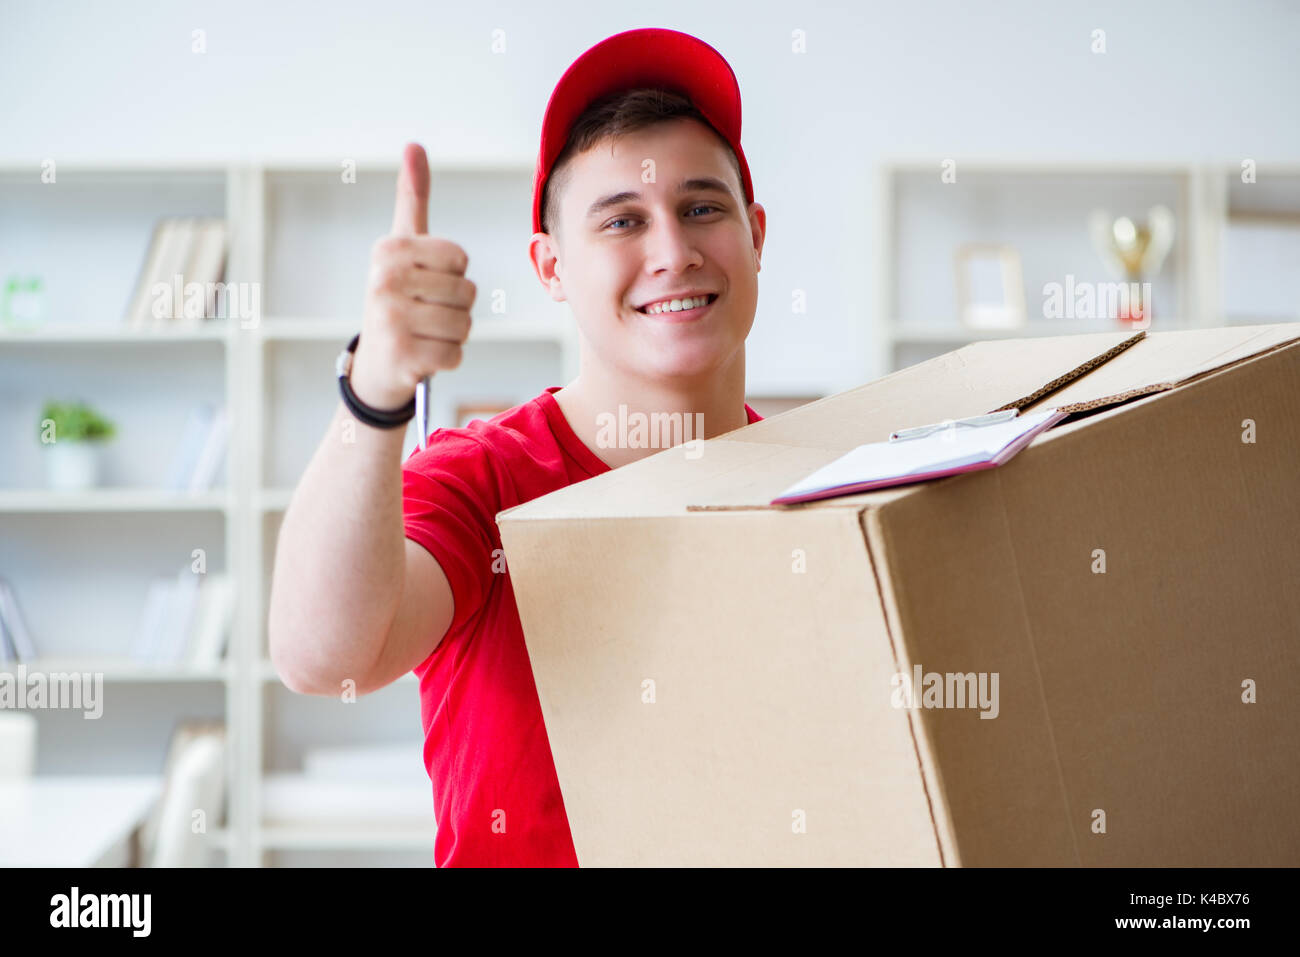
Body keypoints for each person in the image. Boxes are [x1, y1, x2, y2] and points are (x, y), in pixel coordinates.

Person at [268, 27, 767, 867]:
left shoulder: (830, 490)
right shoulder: (481, 481)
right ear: (551, 266)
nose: (674, 252)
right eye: (622, 221)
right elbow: (323, 657)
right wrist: (377, 388)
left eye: (702, 208)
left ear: (756, 233)